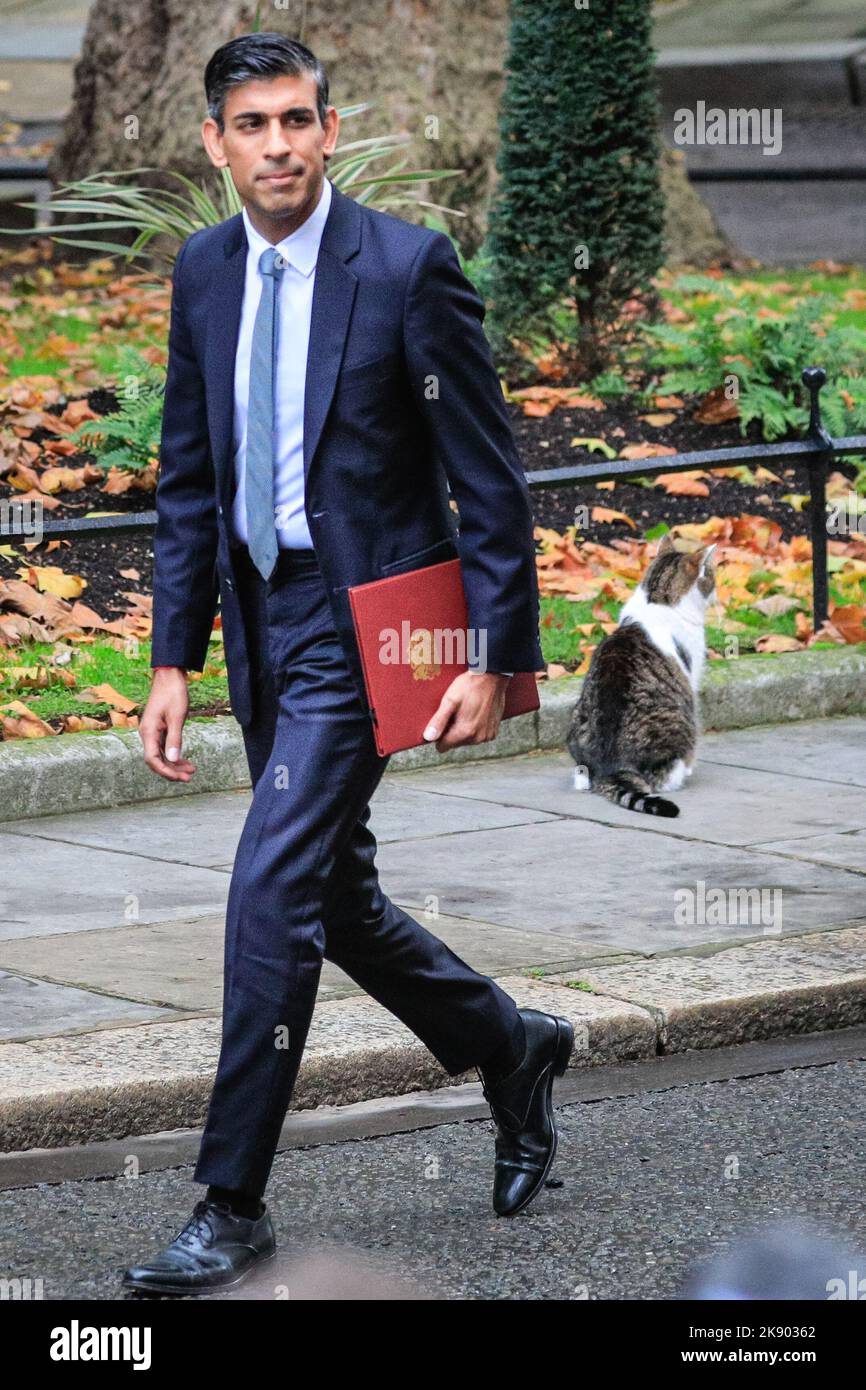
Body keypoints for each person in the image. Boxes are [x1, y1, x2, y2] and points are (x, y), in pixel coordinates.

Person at [124, 32, 574, 1297]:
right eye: (252, 125)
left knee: (268, 890)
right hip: (264, 620)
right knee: (331, 896)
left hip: (367, 624)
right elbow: (188, 479)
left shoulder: (405, 269)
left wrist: (487, 652)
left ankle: (230, 1201)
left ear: (331, 128)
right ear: (214, 143)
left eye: (298, 120)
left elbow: (485, 478)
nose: (278, 145)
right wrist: (174, 656)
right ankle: (513, 1040)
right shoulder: (206, 270)